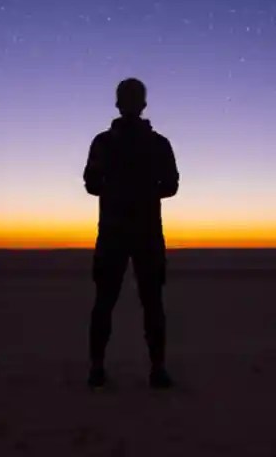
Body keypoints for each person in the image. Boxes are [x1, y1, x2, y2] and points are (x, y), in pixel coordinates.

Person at [83, 77, 179, 389]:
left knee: (106, 301)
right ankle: (157, 369)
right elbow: (171, 186)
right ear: (143, 104)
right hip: (145, 232)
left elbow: (92, 184)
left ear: (118, 103)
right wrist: (145, 192)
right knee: (151, 302)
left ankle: (98, 368)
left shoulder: (104, 142)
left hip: (114, 231)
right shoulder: (158, 144)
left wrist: (117, 191)